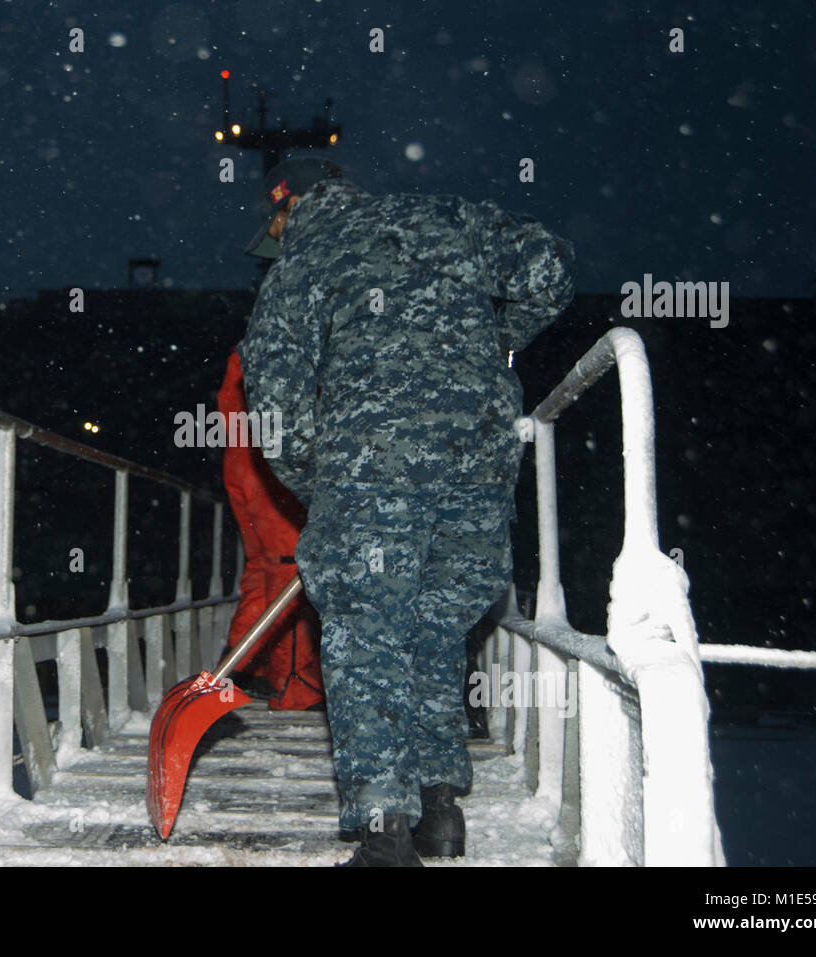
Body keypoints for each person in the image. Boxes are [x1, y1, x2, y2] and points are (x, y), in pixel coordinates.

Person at [238, 156, 574, 866]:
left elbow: (275, 406)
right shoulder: (447, 214)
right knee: (435, 620)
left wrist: (317, 475)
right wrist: (498, 343)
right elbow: (548, 267)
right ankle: (440, 809)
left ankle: (385, 830)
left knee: (368, 628)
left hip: (372, 461)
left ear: (287, 214)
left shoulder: (301, 265)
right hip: (479, 453)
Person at [218, 348, 324, 711]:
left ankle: (238, 670)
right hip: (270, 465)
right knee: (287, 568)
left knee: (263, 567)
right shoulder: (295, 339)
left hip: (245, 460)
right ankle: (294, 683)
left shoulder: (251, 346)